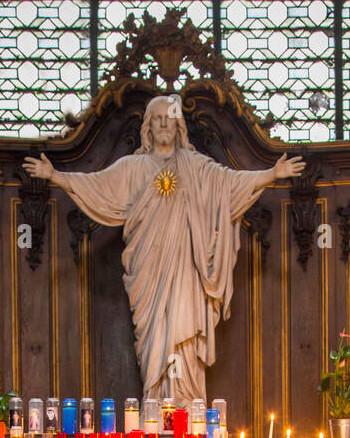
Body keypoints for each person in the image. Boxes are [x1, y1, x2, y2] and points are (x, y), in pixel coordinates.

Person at [23, 95, 305, 403]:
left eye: (169, 119)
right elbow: (97, 185)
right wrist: (54, 177)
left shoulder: (197, 168)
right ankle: (157, 403)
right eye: (157, 120)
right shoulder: (133, 168)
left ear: (179, 127)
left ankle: (186, 407)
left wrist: (272, 175)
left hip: (186, 271)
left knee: (182, 335)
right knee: (154, 340)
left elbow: (230, 186)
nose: (163, 125)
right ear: (148, 128)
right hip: (149, 274)